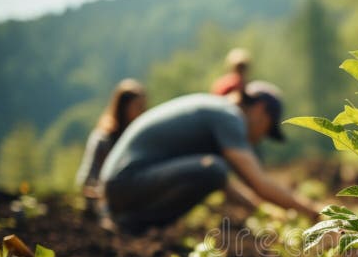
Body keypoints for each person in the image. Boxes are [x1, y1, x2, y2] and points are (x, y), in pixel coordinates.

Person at [98, 81, 318, 232]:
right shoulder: (230, 117)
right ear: (260, 110)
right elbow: (258, 182)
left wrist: (264, 212)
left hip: (120, 183)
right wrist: (316, 213)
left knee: (214, 171)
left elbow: (224, 184)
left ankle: (128, 219)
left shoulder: (217, 109)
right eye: (267, 130)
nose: (260, 139)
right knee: (214, 169)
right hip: (126, 181)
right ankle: (133, 225)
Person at [75, 79, 146, 211]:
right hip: (105, 203)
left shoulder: (141, 139)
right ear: (123, 107)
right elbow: (89, 180)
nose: (143, 111)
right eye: (138, 106)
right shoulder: (103, 140)